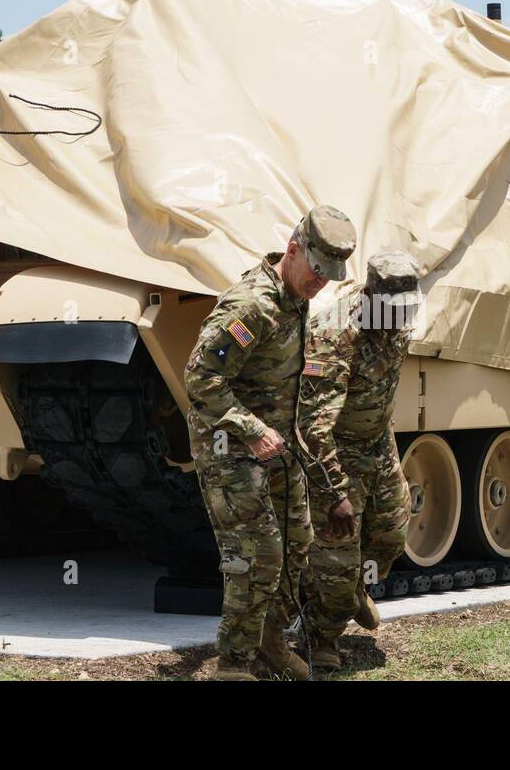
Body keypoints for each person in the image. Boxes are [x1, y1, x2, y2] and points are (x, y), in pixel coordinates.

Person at [184, 206, 356, 680]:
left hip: (278, 446)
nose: (320, 283)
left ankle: (270, 643)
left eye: (329, 277)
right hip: (228, 446)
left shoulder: (294, 296)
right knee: (255, 554)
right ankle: (234, 663)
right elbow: (201, 378)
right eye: (316, 272)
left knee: (297, 543)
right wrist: (252, 429)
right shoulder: (251, 306)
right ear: (294, 250)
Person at [300, 251, 422, 670]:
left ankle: (355, 592)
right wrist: (334, 492)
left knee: (391, 535)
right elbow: (312, 426)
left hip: (378, 443)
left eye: (408, 310)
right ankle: (322, 638)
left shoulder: (396, 316)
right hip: (336, 452)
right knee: (336, 558)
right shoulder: (335, 335)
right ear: (372, 300)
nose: (403, 319)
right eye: (395, 311)